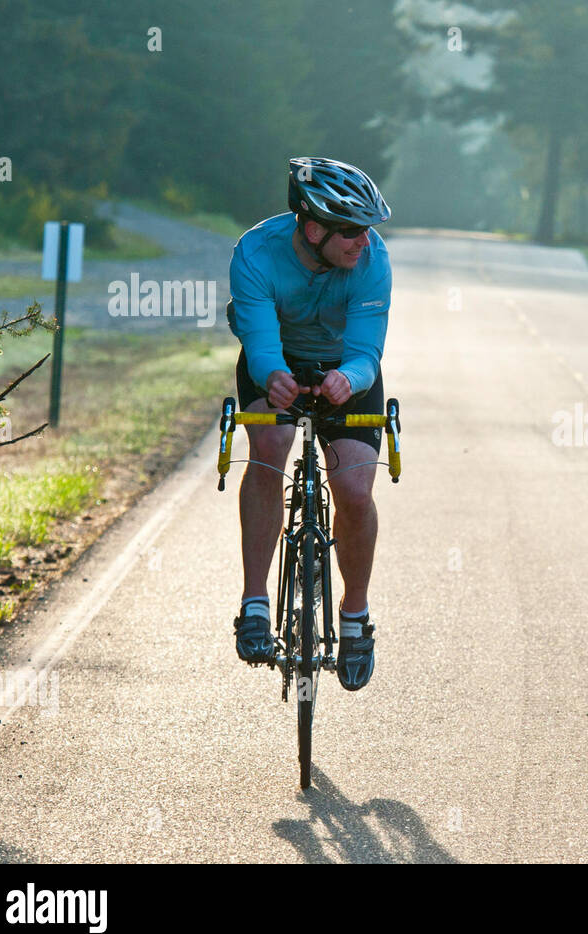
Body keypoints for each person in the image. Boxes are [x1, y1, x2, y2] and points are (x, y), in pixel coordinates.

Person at [226, 157, 392, 692]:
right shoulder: (255, 253)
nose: (363, 242)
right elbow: (259, 342)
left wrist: (351, 375)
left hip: (346, 370)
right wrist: (272, 373)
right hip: (274, 359)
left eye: (368, 230)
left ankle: (354, 616)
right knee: (270, 445)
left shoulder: (373, 261)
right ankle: (255, 601)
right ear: (314, 228)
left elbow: (367, 348)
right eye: (352, 232)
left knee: (355, 490)